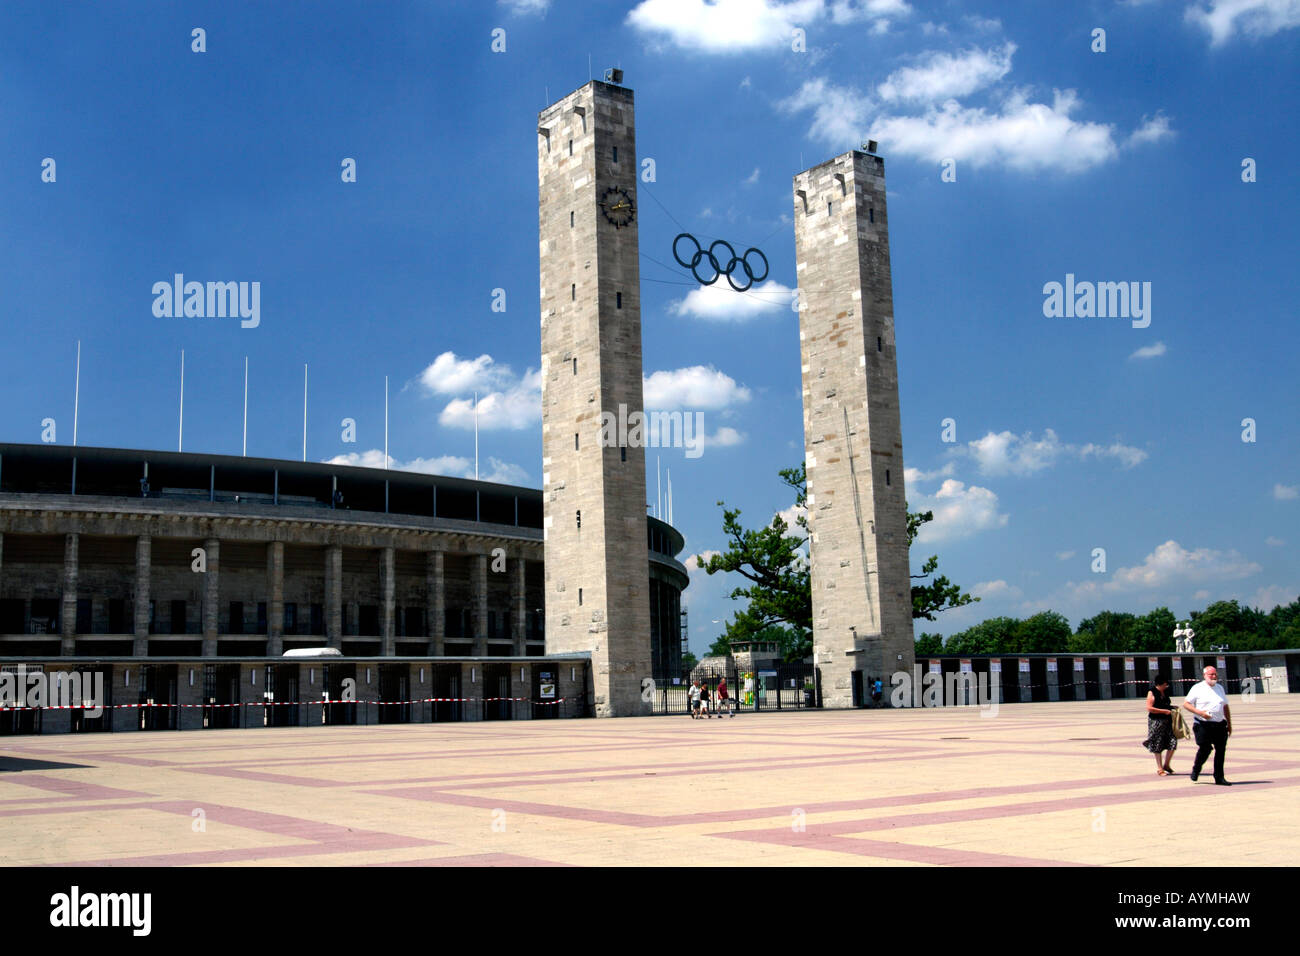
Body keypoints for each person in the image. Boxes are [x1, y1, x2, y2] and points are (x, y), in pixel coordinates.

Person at [1182, 665, 1233, 785]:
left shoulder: (1220, 688)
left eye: (1215, 674)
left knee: (1220, 751)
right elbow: (1186, 704)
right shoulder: (1197, 688)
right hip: (1202, 724)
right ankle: (1196, 768)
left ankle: (1219, 777)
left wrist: (1229, 724)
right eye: (1211, 674)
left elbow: (1225, 706)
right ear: (1205, 676)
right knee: (1205, 748)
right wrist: (1200, 713)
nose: (1214, 676)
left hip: (1219, 725)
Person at [1143, 674, 1178, 775]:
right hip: (1156, 721)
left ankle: (1166, 764)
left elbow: (1166, 704)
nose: (1166, 686)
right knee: (1157, 743)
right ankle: (1160, 768)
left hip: (1167, 721)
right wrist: (1164, 711)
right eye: (1165, 684)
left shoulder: (1165, 692)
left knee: (1173, 742)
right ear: (1160, 684)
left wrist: (1172, 707)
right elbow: (1149, 708)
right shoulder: (1152, 692)